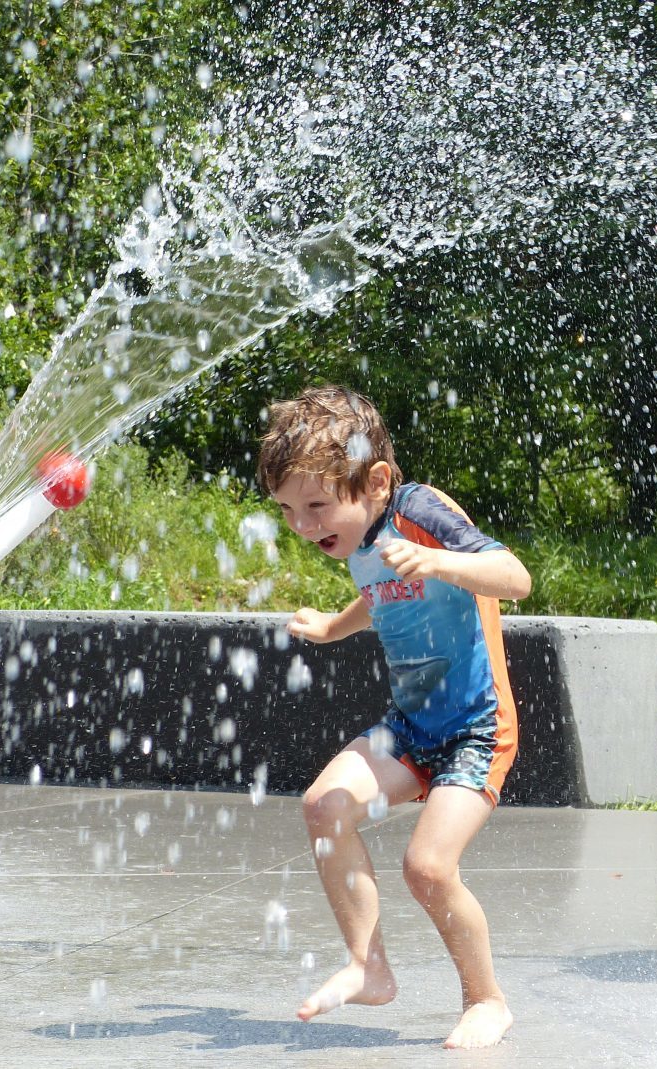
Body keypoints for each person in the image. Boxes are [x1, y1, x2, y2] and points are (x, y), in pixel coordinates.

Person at [257, 385, 532, 1050]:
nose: (304, 525)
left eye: (316, 505)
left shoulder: (420, 512)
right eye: (288, 510)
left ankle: (486, 999)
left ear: (376, 481)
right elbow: (382, 590)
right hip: (411, 726)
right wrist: (335, 625)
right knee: (324, 805)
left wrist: (441, 559)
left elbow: (514, 576)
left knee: (427, 868)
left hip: (476, 728)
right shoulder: (353, 533)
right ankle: (368, 965)